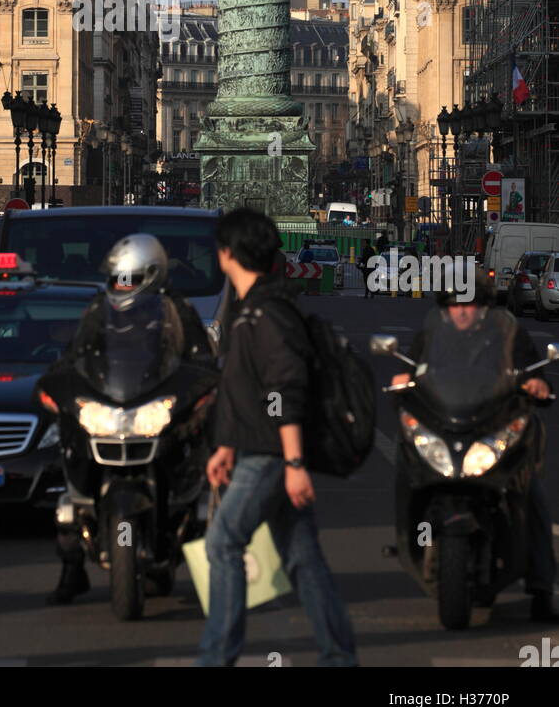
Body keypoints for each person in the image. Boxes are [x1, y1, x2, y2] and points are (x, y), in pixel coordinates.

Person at [197, 208, 357, 667]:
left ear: (228, 253)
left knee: (223, 543)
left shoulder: (265, 312)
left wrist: (292, 463)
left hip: (268, 453)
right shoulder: (254, 308)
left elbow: (285, 386)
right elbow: (245, 387)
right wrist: (226, 445)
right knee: (303, 559)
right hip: (255, 447)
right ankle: (339, 655)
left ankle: (216, 657)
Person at [44, 232, 214, 605]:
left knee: (201, 474)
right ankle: (72, 568)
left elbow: (201, 359)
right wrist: (58, 384)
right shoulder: (97, 311)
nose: (122, 287)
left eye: (130, 279)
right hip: (112, 407)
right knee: (70, 475)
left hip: (155, 409)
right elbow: (75, 354)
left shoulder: (176, 310)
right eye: (118, 279)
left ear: (151, 276)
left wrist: (199, 387)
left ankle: (212, 570)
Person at [391, 268, 557, 622]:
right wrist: (404, 379)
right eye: (455, 305)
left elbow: (531, 371)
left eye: (471, 304)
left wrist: (535, 384)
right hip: (447, 428)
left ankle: (542, 588)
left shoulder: (509, 335)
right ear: (445, 309)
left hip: (493, 428)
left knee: (532, 498)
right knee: (407, 467)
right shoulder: (430, 336)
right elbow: (413, 371)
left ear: (484, 307)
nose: (462, 311)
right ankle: (413, 537)